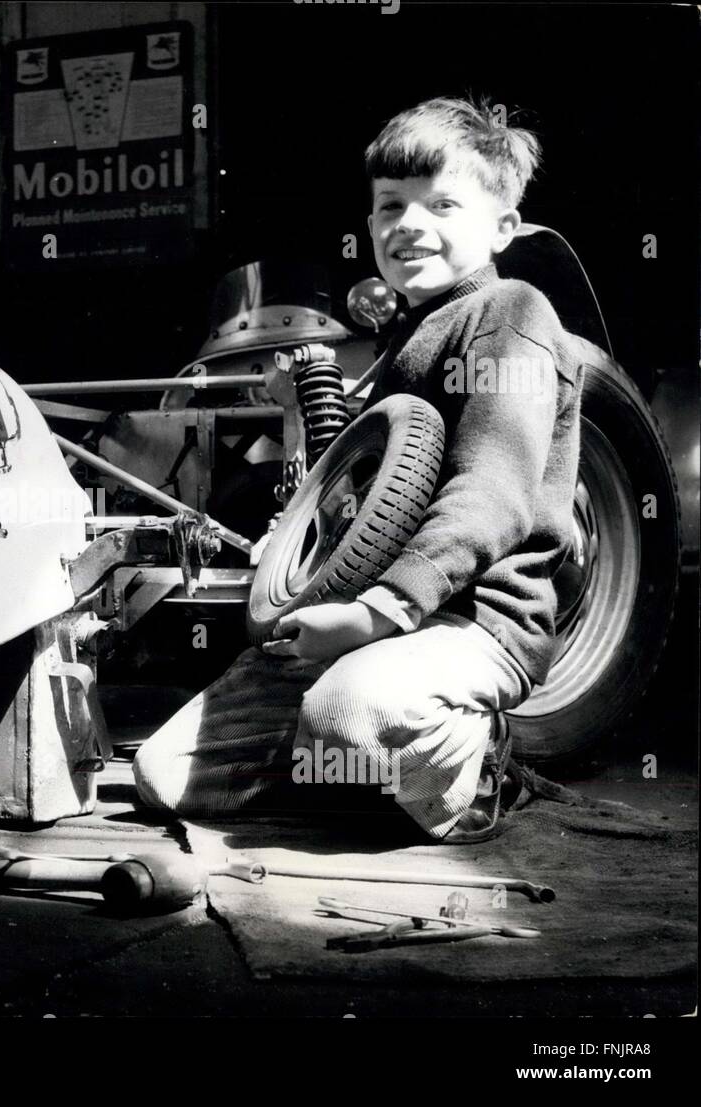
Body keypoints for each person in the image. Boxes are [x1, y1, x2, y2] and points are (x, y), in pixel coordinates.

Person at [132, 97, 585, 843]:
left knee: (347, 712)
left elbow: (492, 495)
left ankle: (475, 765)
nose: (409, 224)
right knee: (164, 774)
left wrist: (376, 613)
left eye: (442, 204)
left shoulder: (510, 313)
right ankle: (356, 766)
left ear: (503, 227)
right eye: (390, 205)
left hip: (471, 620)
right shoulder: (401, 343)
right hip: (370, 620)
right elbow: (365, 499)